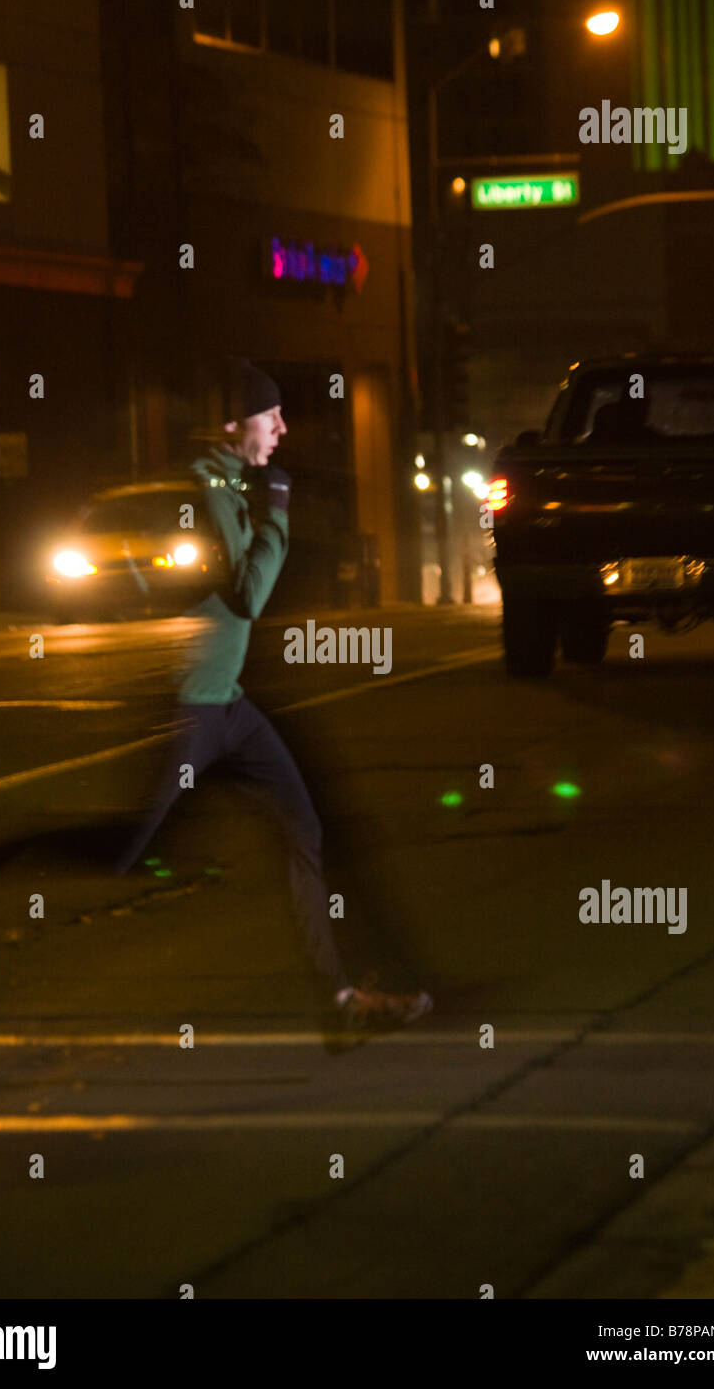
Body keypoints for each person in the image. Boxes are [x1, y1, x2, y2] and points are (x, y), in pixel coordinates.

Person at [114, 358, 433, 1034]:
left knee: (305, 826)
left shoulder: (236, 481)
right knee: (120, 857)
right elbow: (249, 595)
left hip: (230, 704)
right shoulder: (209, 492)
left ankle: (339, 1001)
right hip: (193, 707)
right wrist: (279, 512)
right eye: (270, 415)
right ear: (234, 424)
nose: (283, 427)